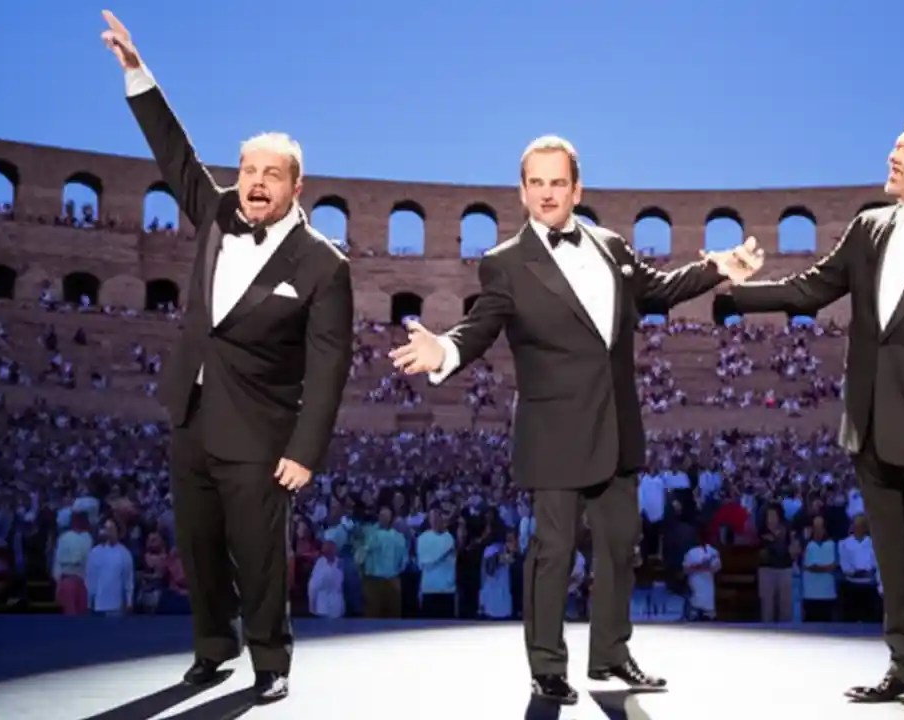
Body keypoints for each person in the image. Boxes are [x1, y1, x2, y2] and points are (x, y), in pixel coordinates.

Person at [389, 134, 762, 705]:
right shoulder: (505, 263)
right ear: (521, 191)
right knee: (554, 551)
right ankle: (546, 666)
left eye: (556, 182)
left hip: (615, 424)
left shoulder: (610, 245)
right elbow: (481, 325)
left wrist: (719, 268)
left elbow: (658, 290)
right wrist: (446, 351)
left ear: (576, 188)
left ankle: (612, 654)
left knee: (619, 547)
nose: (546, 193)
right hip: (553, 429)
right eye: (535, 182)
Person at [99, 10, 354, 704]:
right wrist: (136, 73)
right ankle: (213, 647)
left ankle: (270, 661)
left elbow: (331, 364)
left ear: (297, 186)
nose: (255, 181)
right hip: (191, 412)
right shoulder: (215, 214)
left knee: (259, 552)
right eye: (247, 169)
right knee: (199, 544)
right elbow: (174, 155)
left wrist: (306, 450)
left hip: (261, 431)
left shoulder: (324, 264)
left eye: (271, 173)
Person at [727, 114, 904, 720]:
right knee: (893, 556)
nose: (893, 155)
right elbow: (810, 289)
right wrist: (734, 291)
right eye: (894, 145)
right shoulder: (868, 228)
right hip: (870, 421)